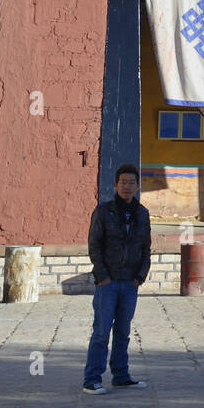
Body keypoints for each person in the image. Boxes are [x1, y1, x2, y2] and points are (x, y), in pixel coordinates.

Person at [82, 164, 151, 394]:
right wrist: (102, 277)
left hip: (130, 283)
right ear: (115, 185)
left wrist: (140, 277)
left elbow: (146, 247)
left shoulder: (142, 213)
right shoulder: (103, 211)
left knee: (123, 332)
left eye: (132, 182)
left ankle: (121, 375)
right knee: (101, 332)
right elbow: (94, 246)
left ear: (137, 186)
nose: (127, 186)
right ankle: (92, 379)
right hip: (108, 283)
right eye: (123, 182)